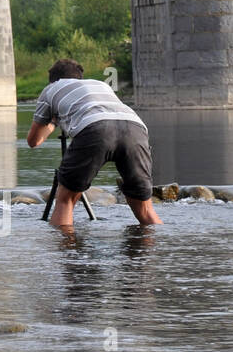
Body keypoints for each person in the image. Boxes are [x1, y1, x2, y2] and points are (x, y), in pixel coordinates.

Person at [27, 58, 162, 227]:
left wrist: (54, 122)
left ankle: (63, 251)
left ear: (53, 79)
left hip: (95, 129)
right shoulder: (101, 85)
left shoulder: (51, 89)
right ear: (80, 78)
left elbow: (34, 141)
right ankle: (155, 250)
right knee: (144, 208)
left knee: (65, 201)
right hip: (135, 128)